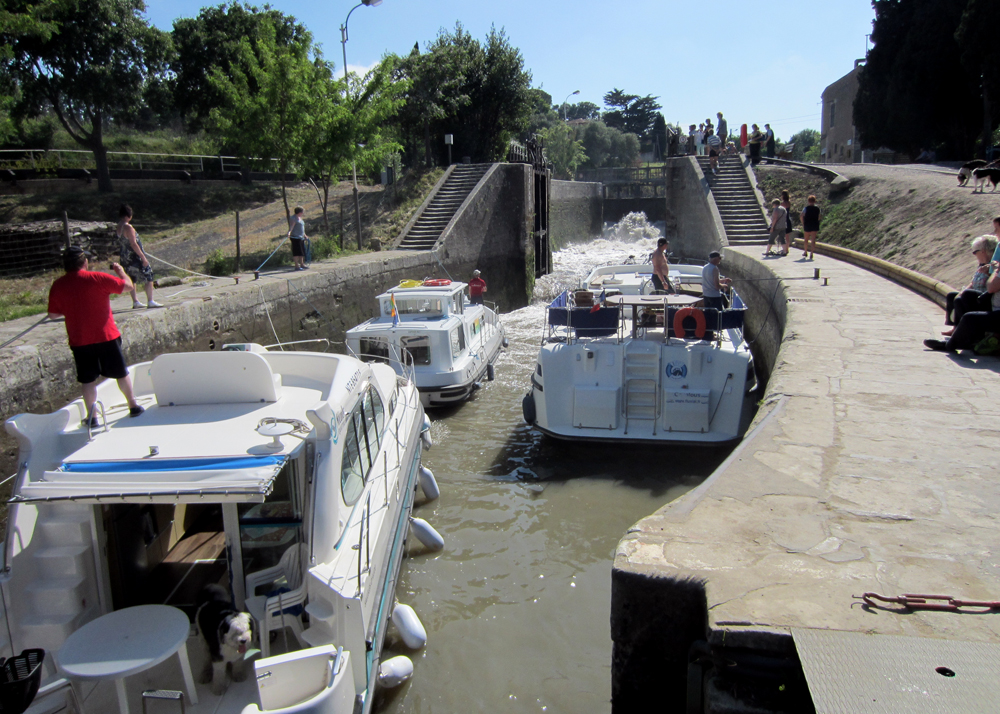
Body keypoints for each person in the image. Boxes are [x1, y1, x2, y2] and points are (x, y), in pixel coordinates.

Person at [48, 246, 145, 428]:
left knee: (87, 379)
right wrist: (121, 271)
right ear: (85, 262)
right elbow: (128, 286)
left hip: (80, 339)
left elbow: (53, 314)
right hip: (106, 335)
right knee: (120, 373)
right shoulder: (97, 278)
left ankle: (92, 417)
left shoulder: (58, 285)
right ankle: (133, 405)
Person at [941, 235, 998, 335]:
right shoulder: (981, 264)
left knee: (965, 296)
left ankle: (963, 332)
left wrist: (989, 273)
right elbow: (973, 282)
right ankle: (955, 327)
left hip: (985, 297)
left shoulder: (993, 265)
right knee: (953, 296)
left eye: (975, 252)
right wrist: (961, 293)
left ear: (983, 251)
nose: (974, 254)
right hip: (975, 293)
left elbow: (993, 283)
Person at [117, 204, 162, 309]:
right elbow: (133, 244)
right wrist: (143, 258)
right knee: (148, 276)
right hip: (134, 257)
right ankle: (150, 300)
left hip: (125, 258)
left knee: (132, 279)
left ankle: (135, 301)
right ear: (129, 215)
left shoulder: (119, 226)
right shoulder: (128, 227)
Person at [288, 206, 308, 271]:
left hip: (301, 237)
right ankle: (297, 266)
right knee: (296, 252)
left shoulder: (300, 218)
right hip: (295, 237)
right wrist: (289, 233)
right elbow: (291, 227)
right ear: (299, 212)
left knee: (301, 252)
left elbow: (301, 228)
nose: (303, 213)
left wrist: (304, 235)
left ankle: (302, 264)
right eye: (302, 212)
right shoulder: (293, 218)